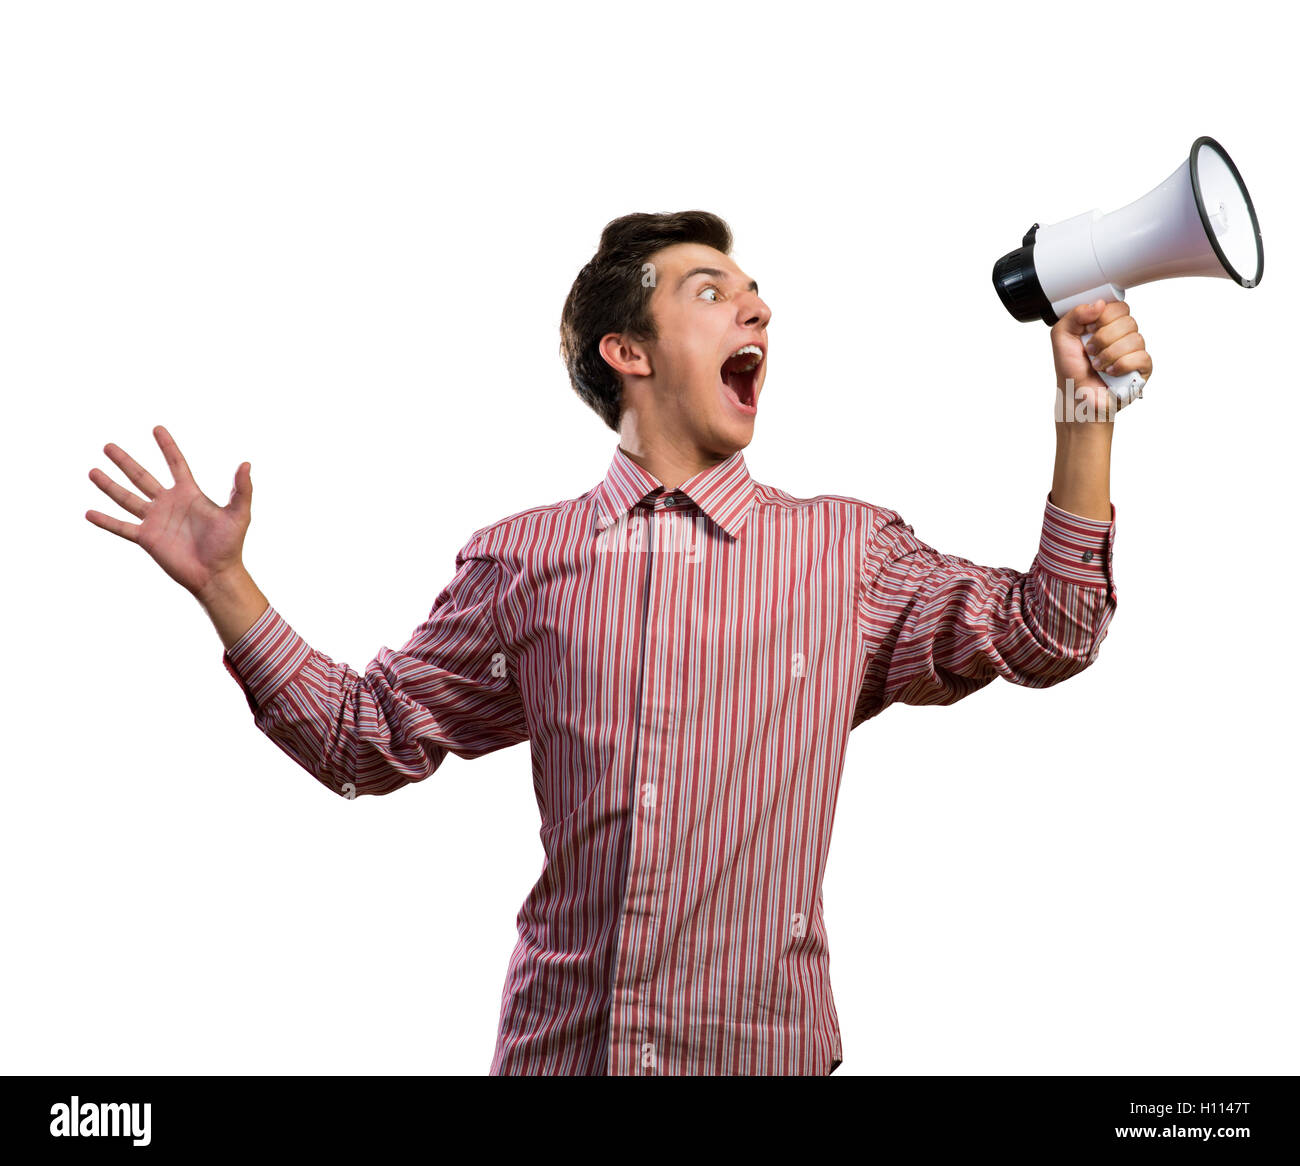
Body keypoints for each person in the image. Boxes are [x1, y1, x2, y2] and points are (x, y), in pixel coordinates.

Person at [85, 210, 1150, 1075]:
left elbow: (1049, 630)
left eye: (754, 291)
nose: (758, 305)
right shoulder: (522, 560)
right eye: (709, 288)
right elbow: (366, 738)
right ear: (626, 350)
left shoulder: (847, 554)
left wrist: (1083, 414)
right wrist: (226, 584)